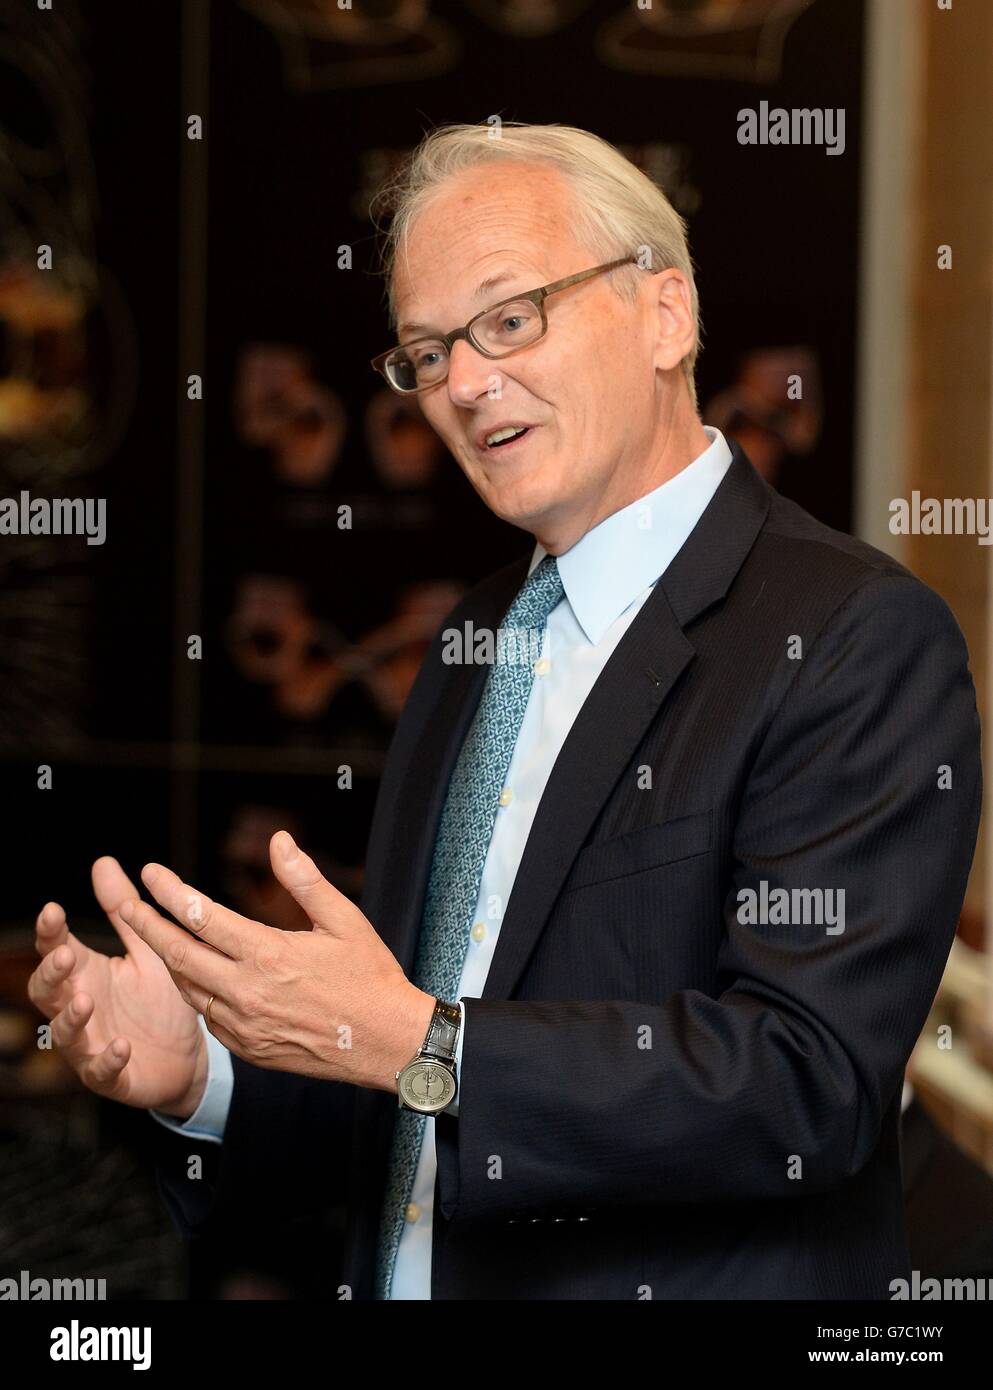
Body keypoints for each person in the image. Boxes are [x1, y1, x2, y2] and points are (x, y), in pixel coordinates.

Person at [28, 122, 982, 1300]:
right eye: (426, 353)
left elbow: (806, 1084)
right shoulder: (479, 637)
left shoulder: (850, 637)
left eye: (511, 317)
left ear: (667, 314)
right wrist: (200, 1079)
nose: (466, 382)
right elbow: (418, 1081)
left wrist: (415, 1039)